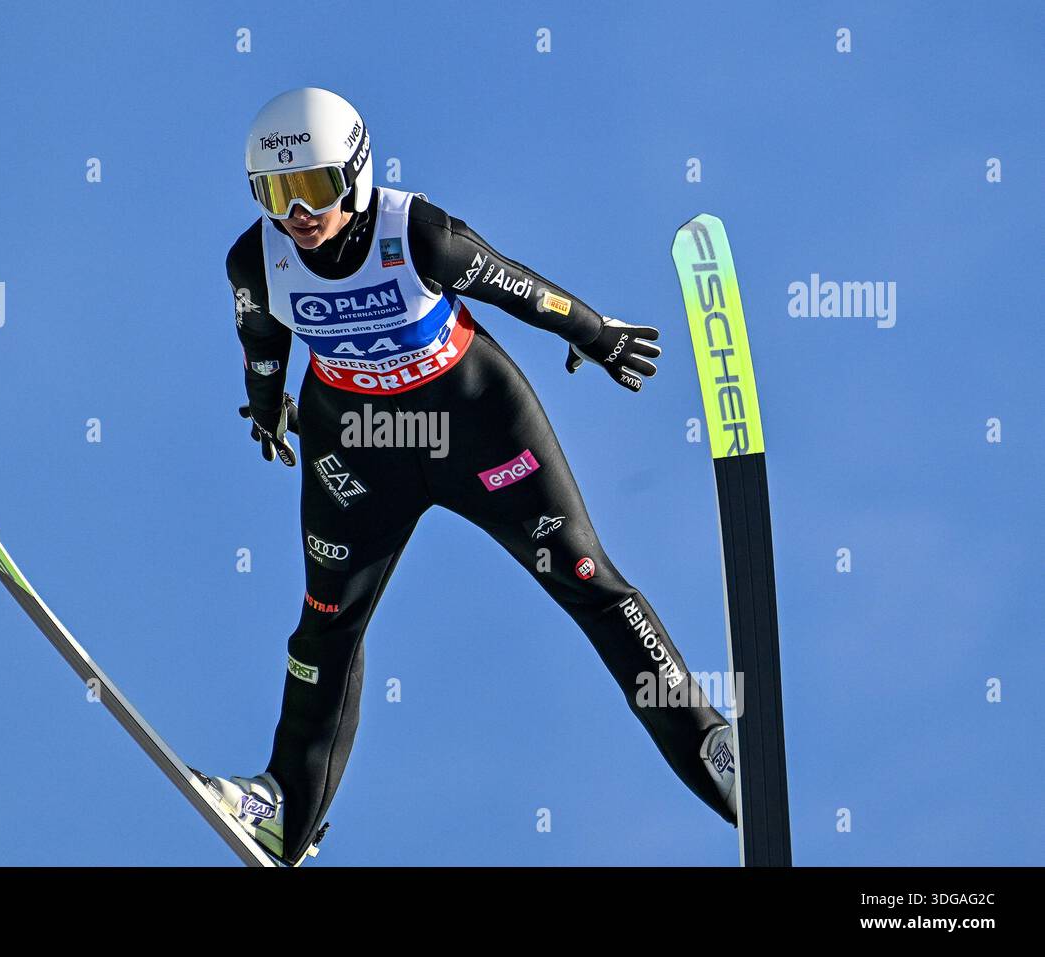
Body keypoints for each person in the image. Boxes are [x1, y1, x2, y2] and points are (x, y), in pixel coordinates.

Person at [202, 87, 737, 866]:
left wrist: (598, 334)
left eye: (313, 187)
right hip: (357, 450)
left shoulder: (416, 232)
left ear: (355, 173)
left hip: (477, 426)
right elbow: (260, 338)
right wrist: (264, 407)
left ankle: (712, 747)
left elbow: (517, 286)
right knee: (326, 622)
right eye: (275, 194)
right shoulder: (254, 259)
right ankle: (286, 809)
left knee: (586, 577)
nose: (298, 214)